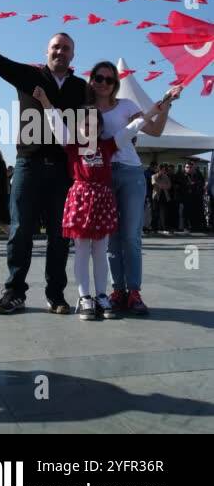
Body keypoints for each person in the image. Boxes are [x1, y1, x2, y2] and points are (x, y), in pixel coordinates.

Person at [0, 6, 88, 314]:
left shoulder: (81, 88)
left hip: (62, 172)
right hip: (28, 166)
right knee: (20, 231)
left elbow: (99, 115)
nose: (60, 51)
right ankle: (14, 292)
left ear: (72, 56)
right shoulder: (29, 76)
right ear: (47, 52)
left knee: (60, 234)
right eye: (56, 46)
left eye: (66, 48)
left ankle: (56, 294)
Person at [33, 86, 167, 320]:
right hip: (81, 201)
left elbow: (132, 127)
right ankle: (85, 297)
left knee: (100, 251)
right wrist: (45, 101)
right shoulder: (71, 145)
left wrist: (155, 109)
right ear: (78, 128)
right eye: (86, 125)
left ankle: (102, 295)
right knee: (83, 251)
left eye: (96, 125)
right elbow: (55, 122)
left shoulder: (108, 145)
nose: (91, 128)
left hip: (104, 202)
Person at [88, 61, 181, 315]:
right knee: (111, 238)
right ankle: (118, 290)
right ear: (92, 80)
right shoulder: (84, 110)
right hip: (102, 176)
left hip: (130, 172)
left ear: (116, 84)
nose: (104, 83)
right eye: (99, 77)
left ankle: (134, 291)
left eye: (109, 79)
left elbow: (156, 130)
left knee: (130, 235)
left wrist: (166, 104)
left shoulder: (127, 106)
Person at [151, 164, 171, 233]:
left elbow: (169, 185)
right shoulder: (154, 176)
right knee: (155, 212)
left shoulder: (166, 176)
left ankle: (164, 228)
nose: (163, 171)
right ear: (159, 170)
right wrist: (161, 185)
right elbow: (153, 183)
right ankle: (154, 229)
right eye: (161, 170)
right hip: (156, 196)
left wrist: (163, 186)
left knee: (164, 213)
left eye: (163, 170)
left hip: (164, 196)